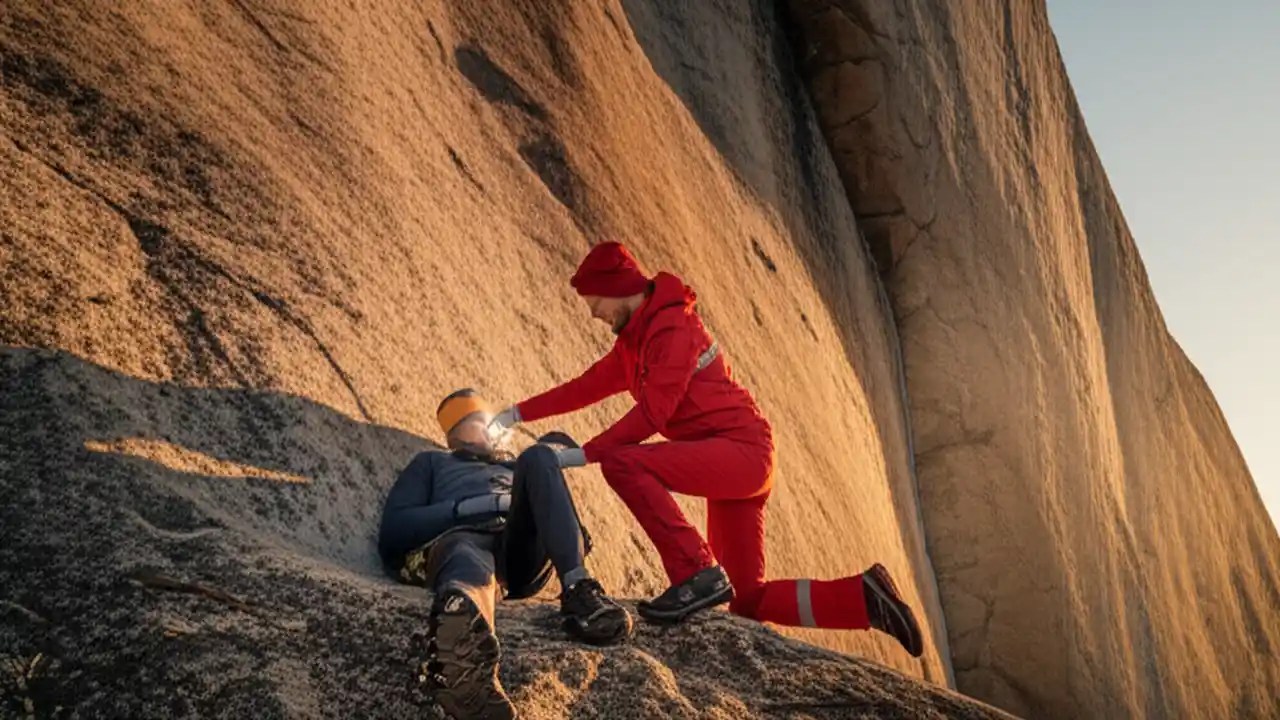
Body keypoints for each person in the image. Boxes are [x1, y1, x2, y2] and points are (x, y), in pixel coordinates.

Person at [489, 242, 924, 657]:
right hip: (733, 463)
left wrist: (580, 454)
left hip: (743, 453)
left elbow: (654, 415)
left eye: (595, 302)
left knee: (623, 463)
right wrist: (515, 413)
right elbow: (585, 387)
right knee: (747, 599)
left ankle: (694, 570)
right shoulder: (635, 344)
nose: (595, 314)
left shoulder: (673, 328)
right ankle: (865, 598)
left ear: (618, 287)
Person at [378, 389, 632, 720]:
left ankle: (579, 593)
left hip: (519, 551)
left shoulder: (516, 465)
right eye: (474, 423)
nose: (486, 430)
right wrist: (474, 507)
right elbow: (395, 529)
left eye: (487, 422)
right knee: (466, 555)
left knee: (539, 455)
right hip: (463, 539)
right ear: (453, 435)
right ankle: (464, 661)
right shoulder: (432, 462)